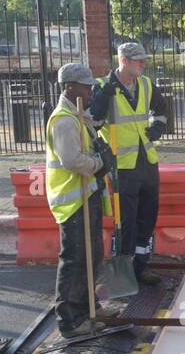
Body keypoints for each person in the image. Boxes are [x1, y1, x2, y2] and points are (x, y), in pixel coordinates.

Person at [89, 41, 168, 287]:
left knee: (147, 216)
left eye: (143, 59)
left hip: (147, 162)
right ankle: (124, 271)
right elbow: (94, 123)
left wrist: (158, 127)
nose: (143, 63)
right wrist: (103, 97)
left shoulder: (145, 84)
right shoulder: (102, 87)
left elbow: (161, 109)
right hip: (122, 166)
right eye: (138, 60)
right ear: (123, 61)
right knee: (126, 221)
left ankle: (141, 266)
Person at [46, 63, 115, 337]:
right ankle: (70, 320)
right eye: (87, 87)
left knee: (92, 255)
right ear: (71, 87)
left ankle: (89, 309)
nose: (90, 92)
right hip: (72, 201)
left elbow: (90, 138)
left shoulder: (78, 115)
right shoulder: (63, 119)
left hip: (88, 195)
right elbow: (72, 160)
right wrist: (100, 163)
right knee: (75, 258)